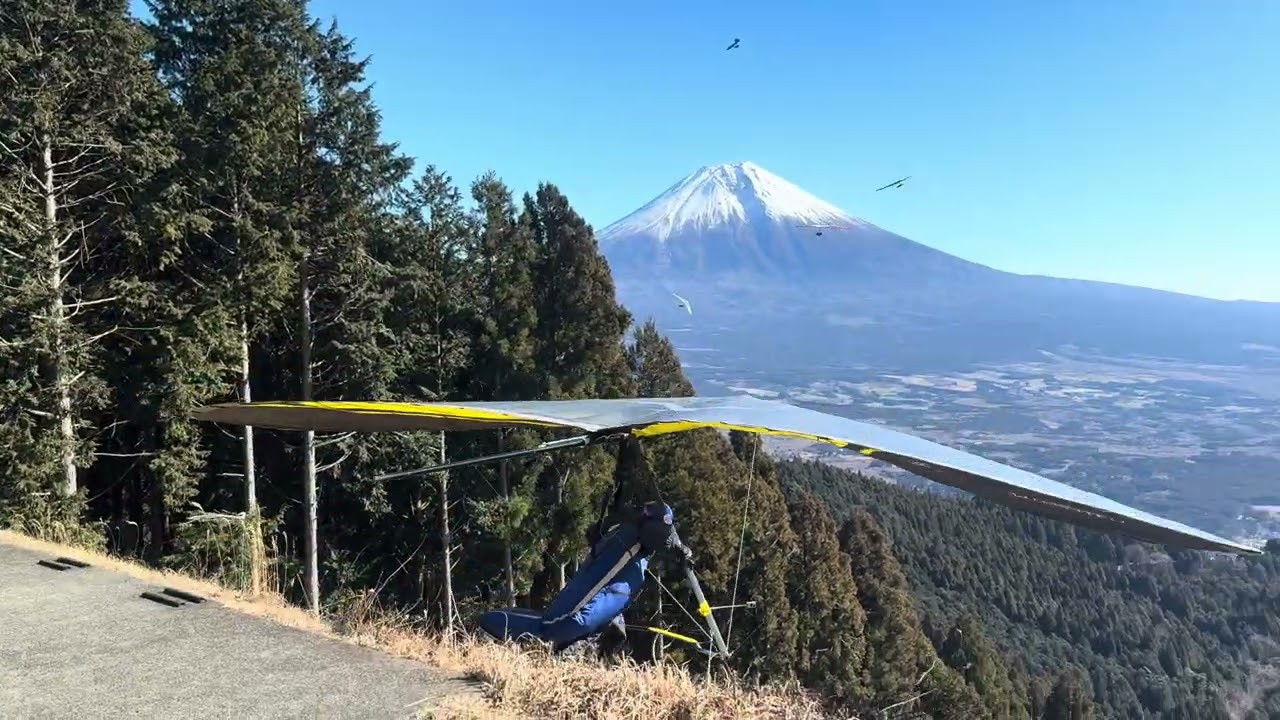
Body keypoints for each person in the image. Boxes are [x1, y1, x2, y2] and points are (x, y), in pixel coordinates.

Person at [477, 501, 693, 654]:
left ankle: (593, 636)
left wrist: (679, 547)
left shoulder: (641, 552)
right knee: (562, 625)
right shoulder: (629, 537)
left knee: (582, 628)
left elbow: (663, 527)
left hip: (612, 595)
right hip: (585, 600)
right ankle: (489, 624)